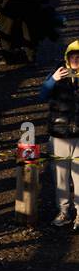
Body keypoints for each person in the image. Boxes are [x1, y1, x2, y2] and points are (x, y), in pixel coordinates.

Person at [40, 41, 79, 229]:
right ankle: (64, 212)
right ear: (67, 57)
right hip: (59, 134)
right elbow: (42, 95)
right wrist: (52, 80)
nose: (76, 59)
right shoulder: (57, 73)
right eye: (73, 55)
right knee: (60, 178)